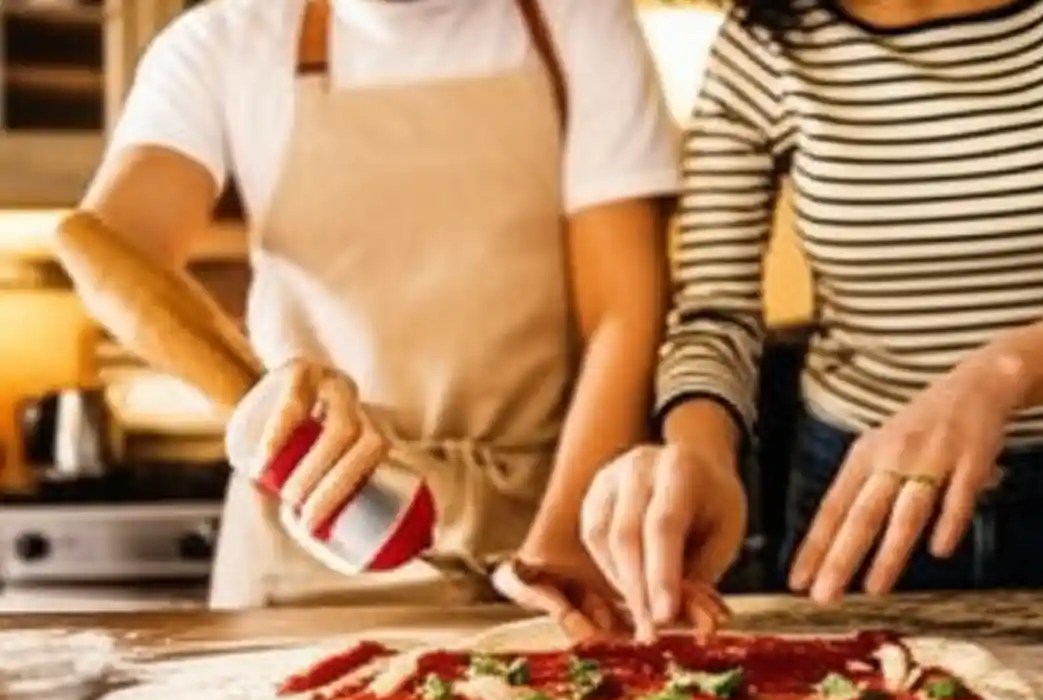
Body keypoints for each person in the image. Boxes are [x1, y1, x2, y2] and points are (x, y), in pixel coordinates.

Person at [580, 0, 1043, 639]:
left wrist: (1001, 376)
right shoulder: (762, 41)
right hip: (854, 507)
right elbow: (714, 311)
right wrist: (701, 454)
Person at [56, 0, 682, 633]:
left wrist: (564, 538)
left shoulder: (580, 21)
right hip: (321, 540)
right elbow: (103, 244)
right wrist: (275, 405)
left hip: (541, 540)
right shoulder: (225, 40)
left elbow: (622, 315)